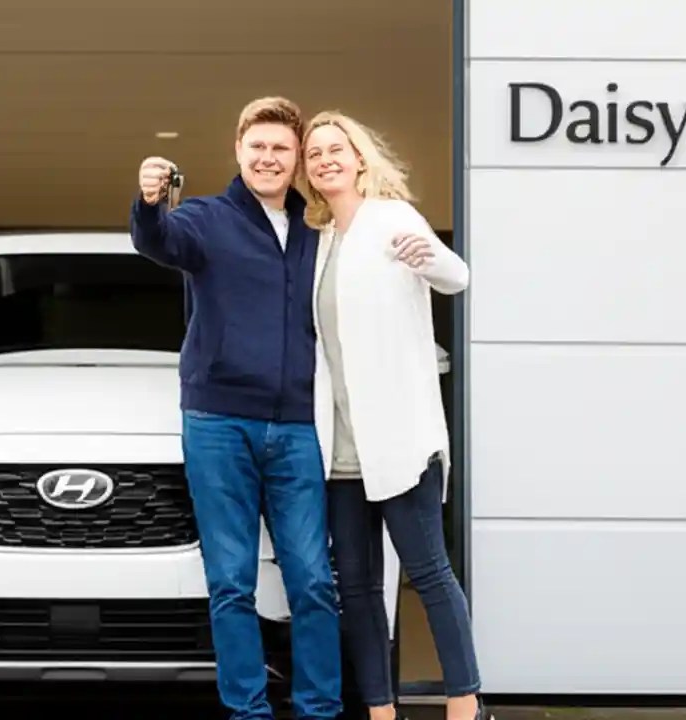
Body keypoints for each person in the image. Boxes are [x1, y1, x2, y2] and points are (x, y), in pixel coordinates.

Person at [129, 97, 342, 720]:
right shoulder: (205, 219)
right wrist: (149, 202)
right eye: (258, 148)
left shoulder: (319, 229)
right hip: (219, 422)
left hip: (301, 425)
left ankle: (320, 708)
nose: (269, 158)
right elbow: (159, 241)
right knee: (231, 582)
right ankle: (247, 711)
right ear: (239, 152)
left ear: (297, 158)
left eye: (281, 149)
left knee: (312, 582)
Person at [299, 109, 489, 720]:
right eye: (314, 154)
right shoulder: (322, 240)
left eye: (336, 148)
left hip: (402, 441)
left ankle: (463, 704)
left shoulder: (393, 218)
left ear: (360, 158)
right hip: (342, 450)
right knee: (355, 587)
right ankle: (380, 710)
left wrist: (427, 255)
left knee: (429, 573)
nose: (325, 159)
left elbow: (456, 276)